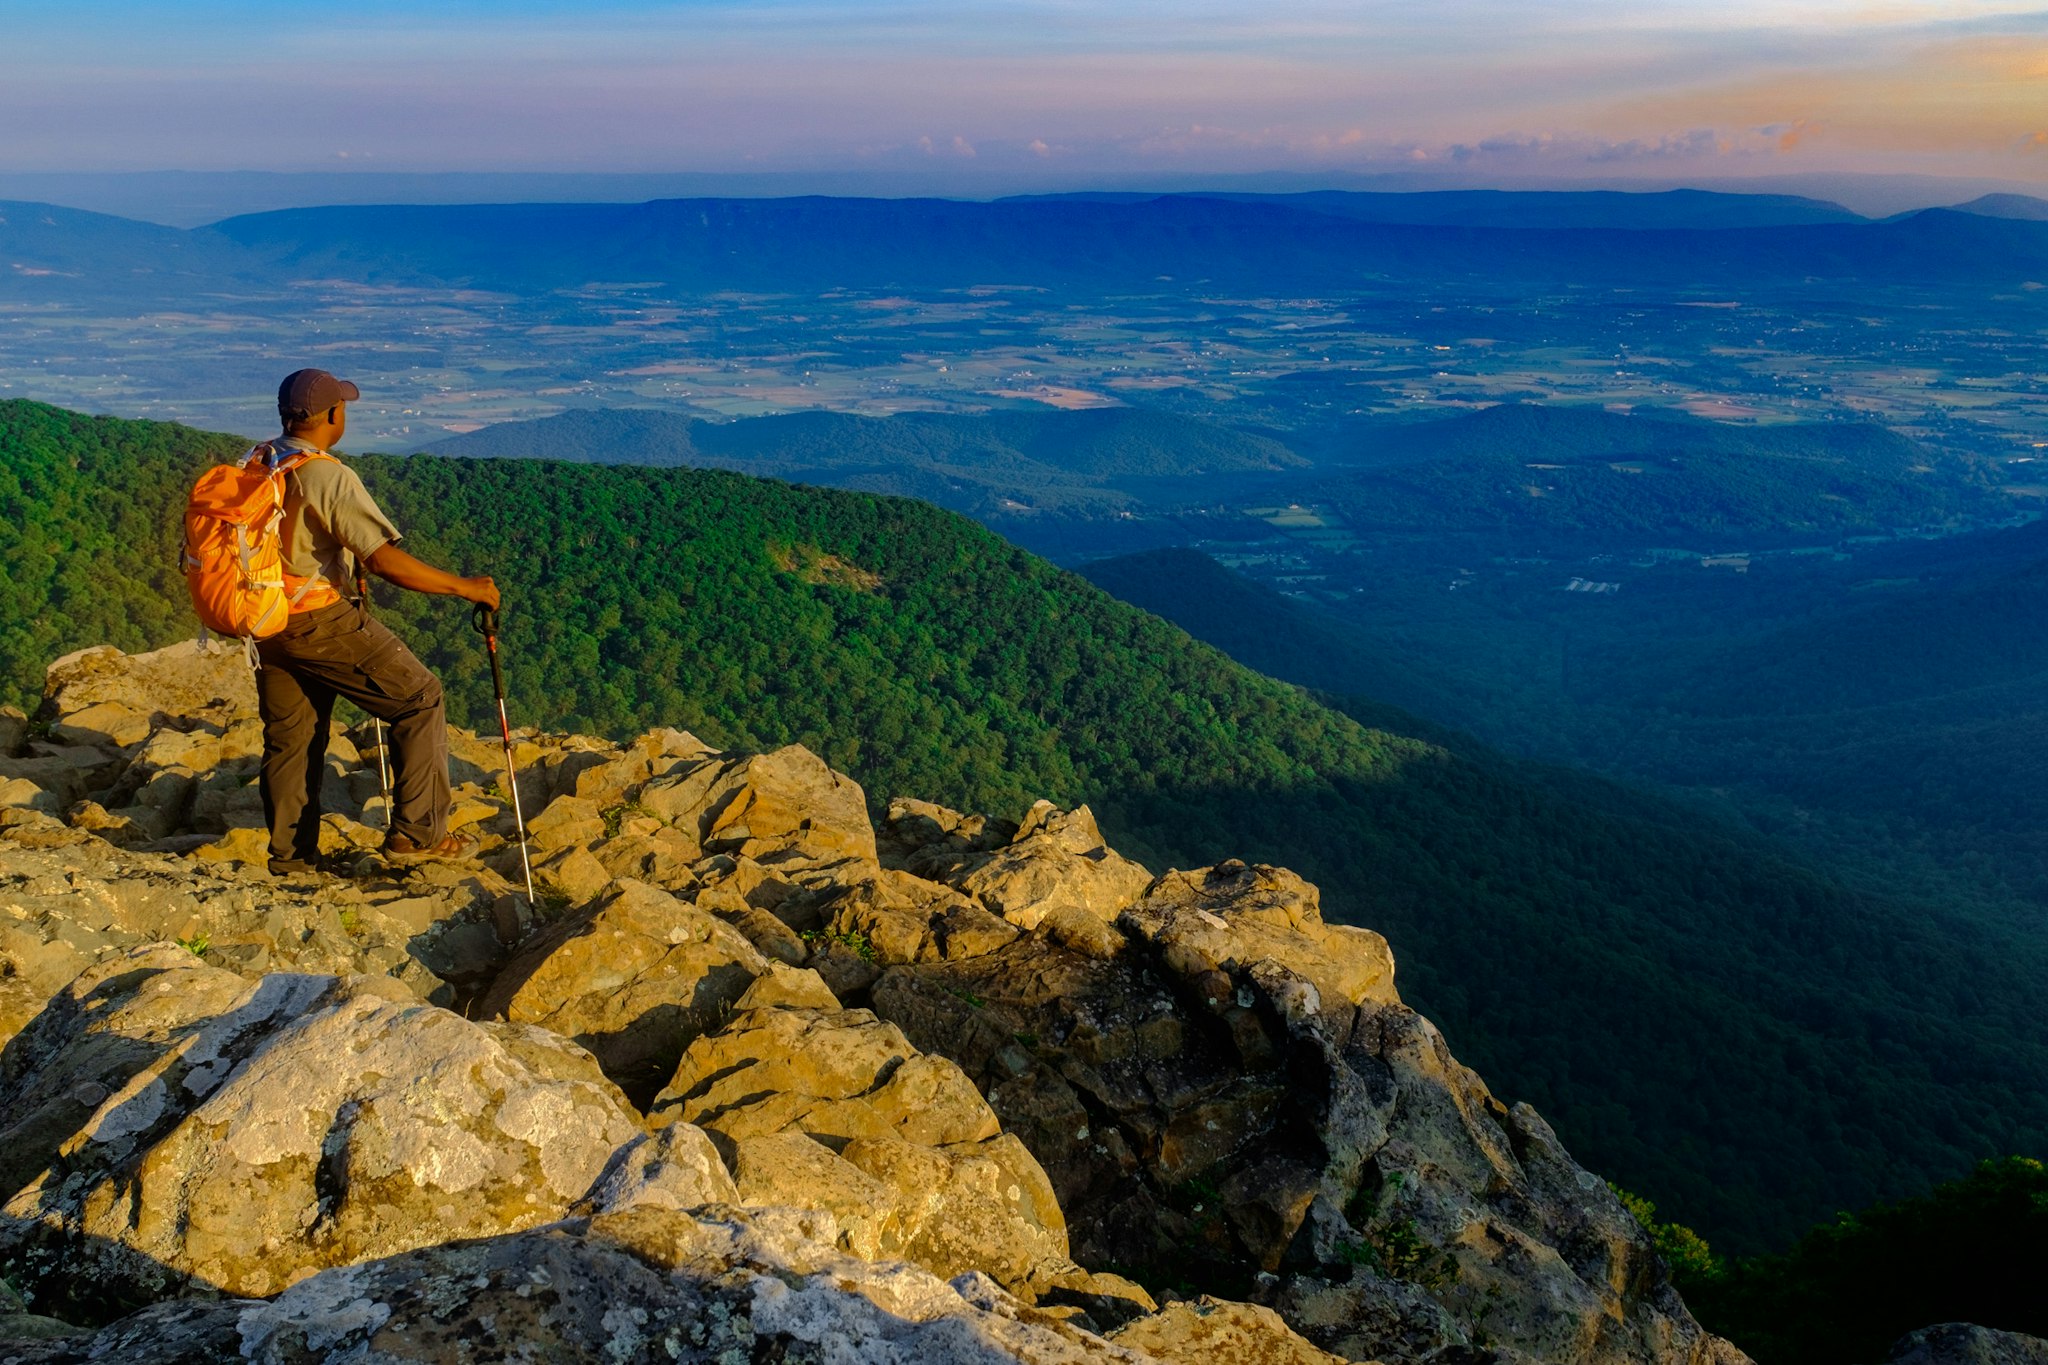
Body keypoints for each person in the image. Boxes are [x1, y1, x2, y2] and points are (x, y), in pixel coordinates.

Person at [254, 367, 500, 876]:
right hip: (319, 619)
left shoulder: (259, 461)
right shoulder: (325, 474)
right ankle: (419, 834)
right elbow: (383, 559)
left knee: (292, 737)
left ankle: (290, 859)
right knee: (419, 697)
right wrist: (465, 586)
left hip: (265, 621)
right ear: (331, 415)